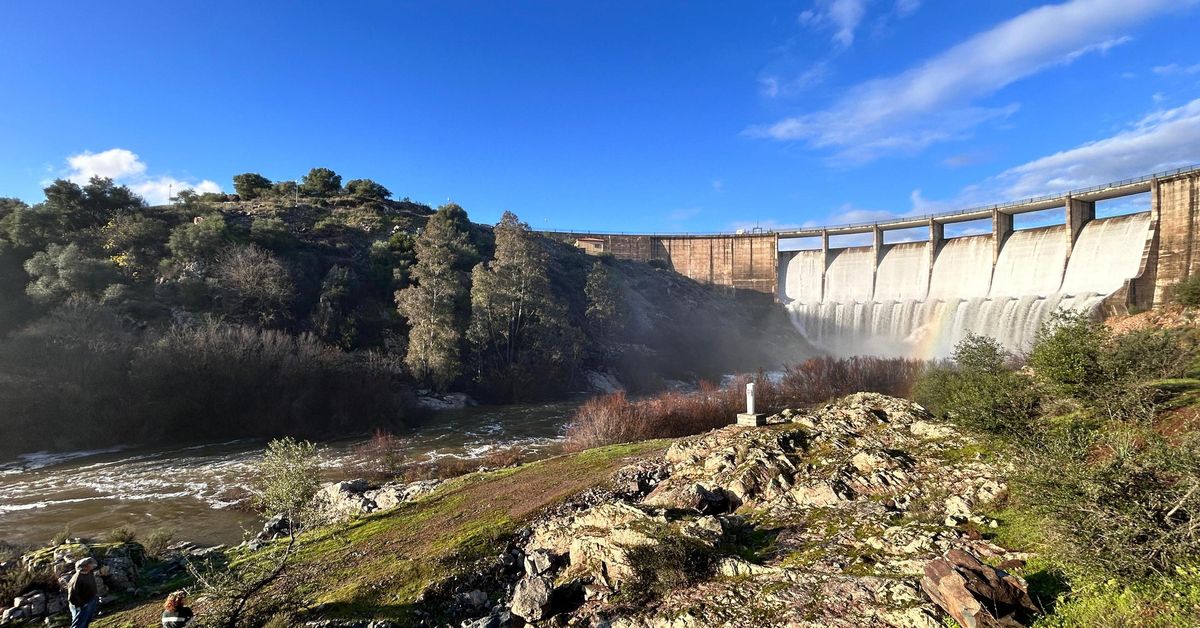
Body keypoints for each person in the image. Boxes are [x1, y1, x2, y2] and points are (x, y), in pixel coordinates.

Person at [66, 557, 99, 628]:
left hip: (89, 601)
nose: (93, 565)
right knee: (78, 625)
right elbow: (72, 597)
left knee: (85, 622)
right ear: (85, 566)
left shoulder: (89, 573)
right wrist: (82, 605)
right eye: (91, 564)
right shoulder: (77, 578)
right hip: (81, 604)